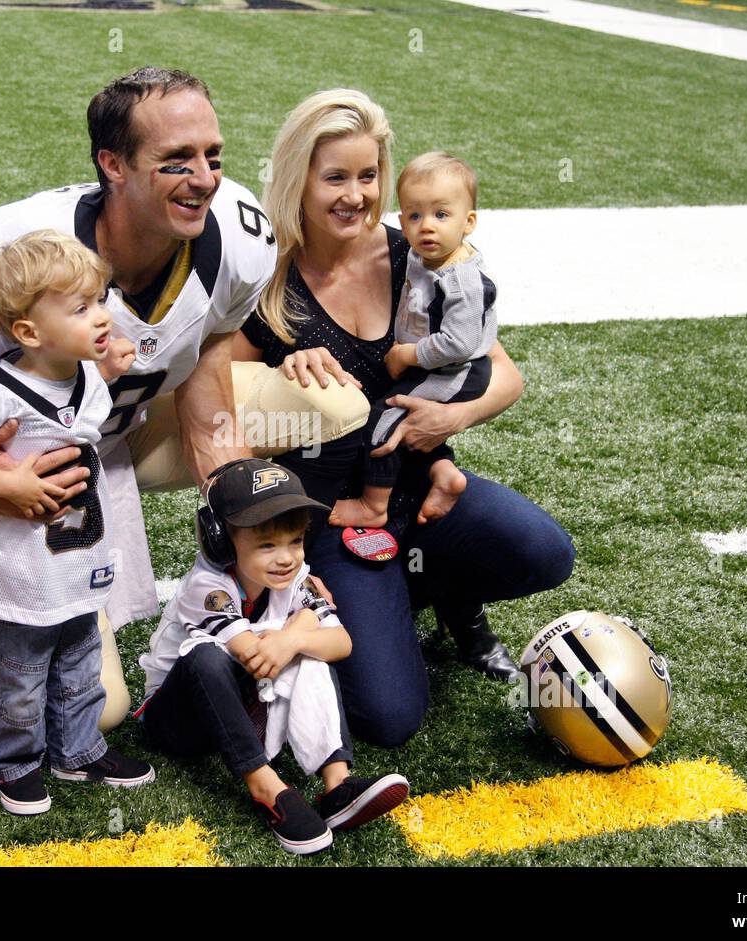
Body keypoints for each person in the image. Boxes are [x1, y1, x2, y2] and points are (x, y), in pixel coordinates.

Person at [0, 67, 279, 728]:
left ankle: (317, 570)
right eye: (176, 160)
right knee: (99, 713)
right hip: (51, 471)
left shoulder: (238, 239)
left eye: (213, 156)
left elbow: (211, 402)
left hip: (131, 428)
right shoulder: (12, 256)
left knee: (333, 410)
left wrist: (246, 528)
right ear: (113, 164)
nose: (206, 178)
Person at [234, 89, 576, 747]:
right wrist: (282, 385)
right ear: (297, 178)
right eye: (335, 177)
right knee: (389, 718)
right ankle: (371, 599)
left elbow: (505, 375)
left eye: (368, 176)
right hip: (330, 517)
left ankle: (446, 599)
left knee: (545, 553)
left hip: (420, 488)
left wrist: (451, 419)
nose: (356, 195)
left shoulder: (414, 255)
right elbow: (216, 408)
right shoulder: (266, 278)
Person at [0, 231, 154, 814]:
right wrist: (8, 484)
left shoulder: (83, 377)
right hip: (18, 569)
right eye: (81, 308)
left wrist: (112, 371)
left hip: (74, 562)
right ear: (28, 332)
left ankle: (78, 750)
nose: (102, 317)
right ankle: (13, 762)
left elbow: (84, 414)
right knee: (20, 675)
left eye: (101, 299)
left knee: (80, 665)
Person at [137, 458, 409, 855]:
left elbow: (342, 642)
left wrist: (298, 635)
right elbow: (255, 658)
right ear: (220, 540)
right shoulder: (206, 588)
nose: (286, 558)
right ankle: (266, 788)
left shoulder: (296, 577)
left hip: (246, 707)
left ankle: (338, 785)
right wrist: (301, 628)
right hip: (179, 719)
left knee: (309, 651)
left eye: (295, 541)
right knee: (206, 656)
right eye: (267, 544)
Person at [330, 151, 498, 530]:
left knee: (384, 418)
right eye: (415, 216)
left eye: (441, 215)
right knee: (410, 417)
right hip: (438, 364)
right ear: (402, 221)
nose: (427, 227)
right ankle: (443, 471)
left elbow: (458, 343)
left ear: (468, 222)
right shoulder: (422, 257)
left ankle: (373, 505)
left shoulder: (462, 280)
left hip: (457, 369)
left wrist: (408, 355)